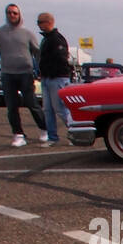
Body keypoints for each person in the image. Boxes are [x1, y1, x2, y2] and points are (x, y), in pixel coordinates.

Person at [0, 3, 46, 147]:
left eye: (14, 13)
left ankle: (44, 129)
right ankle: (18, 134)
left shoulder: (27, 33)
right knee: (11, 106)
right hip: (8, 74)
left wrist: (43, 70)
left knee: (32, 103)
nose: (12, 15)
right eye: (9, 13)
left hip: (25, 73)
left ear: (19, 15)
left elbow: (37, 53)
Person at [35, 12, 71, 146]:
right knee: (48, 110)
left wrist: (52, 71)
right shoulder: (46, 39)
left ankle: (75, 132)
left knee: (60, 108)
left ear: (48, 22)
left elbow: (61, 59)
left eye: (40, 22)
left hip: (57, 78)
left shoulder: (56, 39)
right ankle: (52, 137)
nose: (38, 25)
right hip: (46, 78)